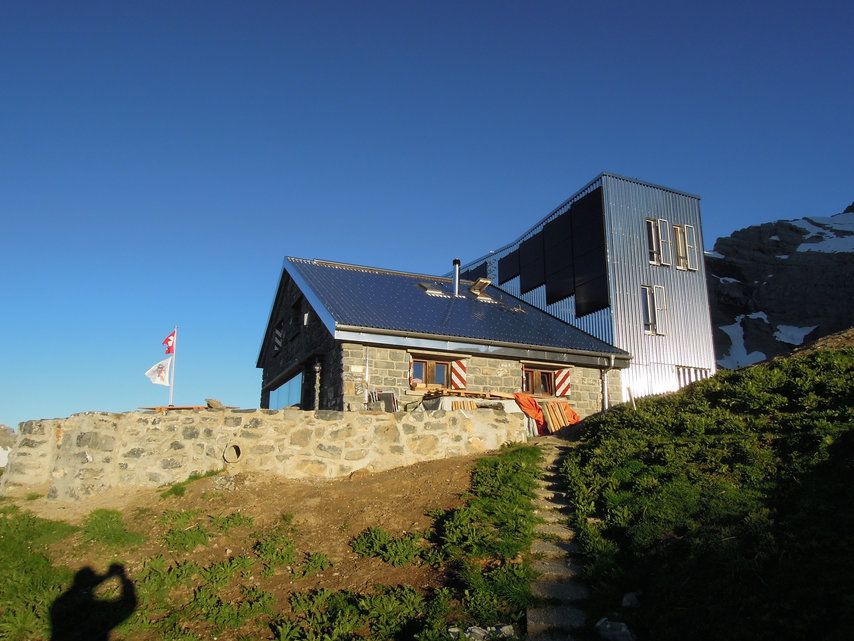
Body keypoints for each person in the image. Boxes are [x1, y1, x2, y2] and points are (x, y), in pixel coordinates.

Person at [50, 563, 137, 641]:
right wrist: (123, 579)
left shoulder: (59, 604)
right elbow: (128, 606)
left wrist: (108, 576)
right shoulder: (94, 612)